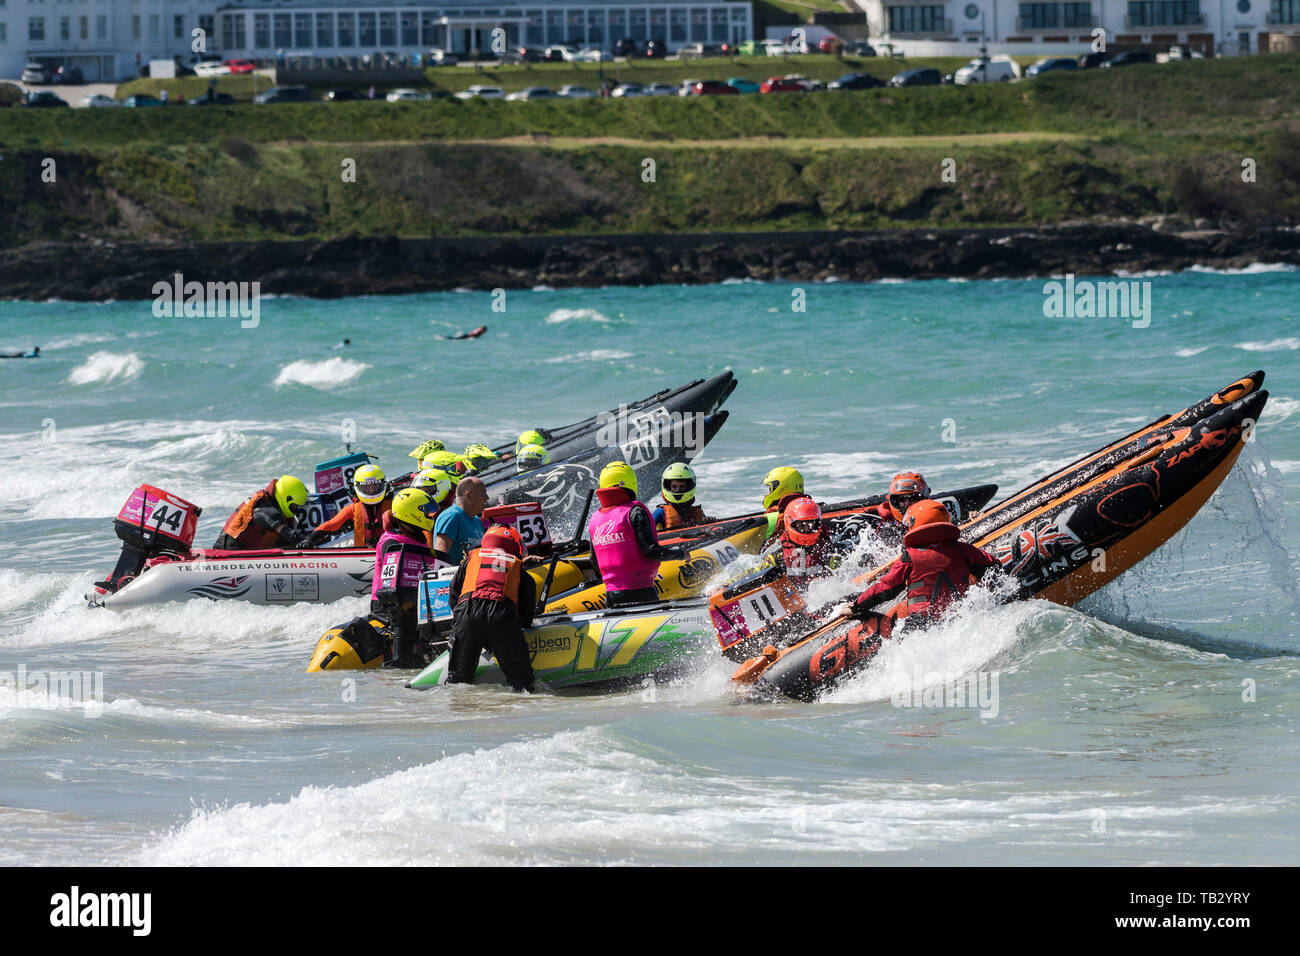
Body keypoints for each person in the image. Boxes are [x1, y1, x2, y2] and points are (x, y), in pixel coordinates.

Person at [845, 499, 998, 625]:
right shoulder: (964, 549)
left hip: (920, 624)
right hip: (960, 620)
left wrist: (856, 606)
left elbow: (886, 588)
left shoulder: (909, 556)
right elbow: (994, 568)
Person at [445, 524, 537, 692]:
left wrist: (465, 629)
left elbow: (453, 596)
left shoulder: (470, 560)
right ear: (516, 545)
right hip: (501, 615)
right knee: (522, 682)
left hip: (466, 613)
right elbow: (526, 617)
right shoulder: (519, 568)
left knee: (457, 681)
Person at [587, 461, 687, 607]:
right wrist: (680, 554)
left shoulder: (594, 520)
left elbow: (595, 561)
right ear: (630, 482)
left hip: (611, 596)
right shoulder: (635, 512)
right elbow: (651, 551)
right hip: (642, 591)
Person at [372, 488, 444, 667]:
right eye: (426, 511)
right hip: (388, 605)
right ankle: (399, 666)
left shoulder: (418, 538)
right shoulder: (391, 541)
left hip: (413, 601)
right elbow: (390, 583)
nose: (430, 515)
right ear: (412, 512)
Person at [213, 475, 314, 550]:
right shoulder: (264, 509)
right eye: (295, 506)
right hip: (227, 555)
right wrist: (313, 540)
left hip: (249, 556)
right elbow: (291, 536)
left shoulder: (278, 509)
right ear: (287, 499)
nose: (297, 510)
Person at [311, 463, 393, 547]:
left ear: (383, 485)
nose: (371, 490)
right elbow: (331, 525)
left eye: (375, 486)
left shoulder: (393, 505)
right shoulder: (353, 509)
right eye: (366, 487)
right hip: (362, 555)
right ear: (356, 487)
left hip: (389, 551)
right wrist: (309, 539)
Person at [778, 496, 840, 587]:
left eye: (811, 525)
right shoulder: (778, 554)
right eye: (802, 525)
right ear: (790, 523)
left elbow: (842, 575)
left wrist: (827, 579)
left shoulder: (829, 547)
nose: (807, 529)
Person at [434, 475, 488, 564]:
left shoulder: (477, 520)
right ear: (469, 495)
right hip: (456, 576)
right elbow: (440, 557)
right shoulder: (452, 516)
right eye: (483, 494)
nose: (487, 498)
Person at [872, 472, 931, 546]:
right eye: (902, 499)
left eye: (912, 498)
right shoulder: (888, 531)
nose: (907, 503)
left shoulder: (936, 515)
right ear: (895, 501)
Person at [653, 462, 714, 530]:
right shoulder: (660, 512)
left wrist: (708, 523)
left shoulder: (697, 513)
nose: (678, 490)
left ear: (689, 487)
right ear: (668, 487)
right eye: (674, 486)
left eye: (682, 487)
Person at [409, 467, 455, 548]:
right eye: (419, 490)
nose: (422, 494)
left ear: (442, 488)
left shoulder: (449, 514)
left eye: (427, 490)